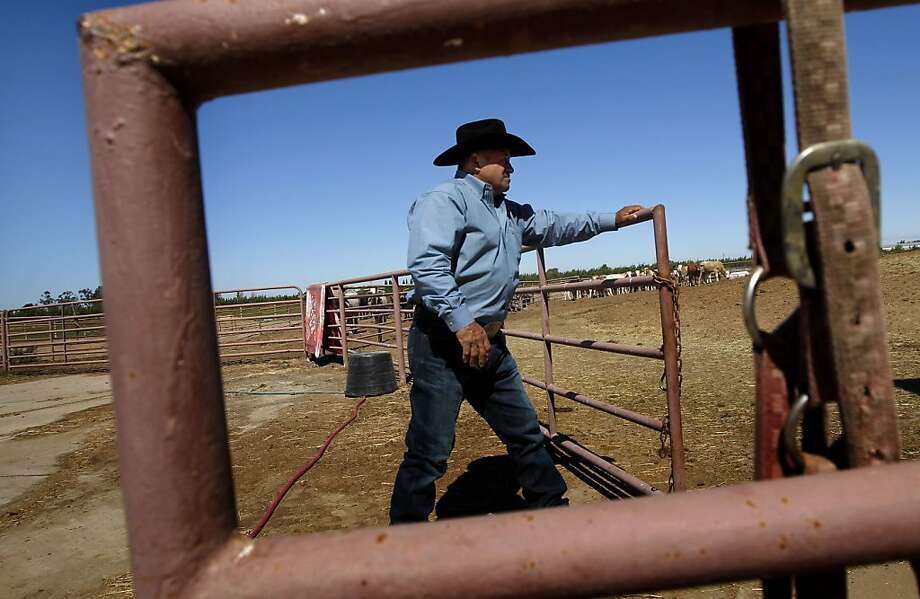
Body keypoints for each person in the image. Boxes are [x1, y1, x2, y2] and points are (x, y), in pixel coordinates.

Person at [389, 118, 643, 524]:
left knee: (525, 431)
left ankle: (550, 511)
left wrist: (613, 218)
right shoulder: (444, 200)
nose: (512, 168)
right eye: (504, 159)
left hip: (487, 341)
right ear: (475, 160)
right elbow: (427, 265)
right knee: (430, 450)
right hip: (444, 340)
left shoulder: (510, 214)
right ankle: (403, 539)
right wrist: (463, 322)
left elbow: (557, 224)